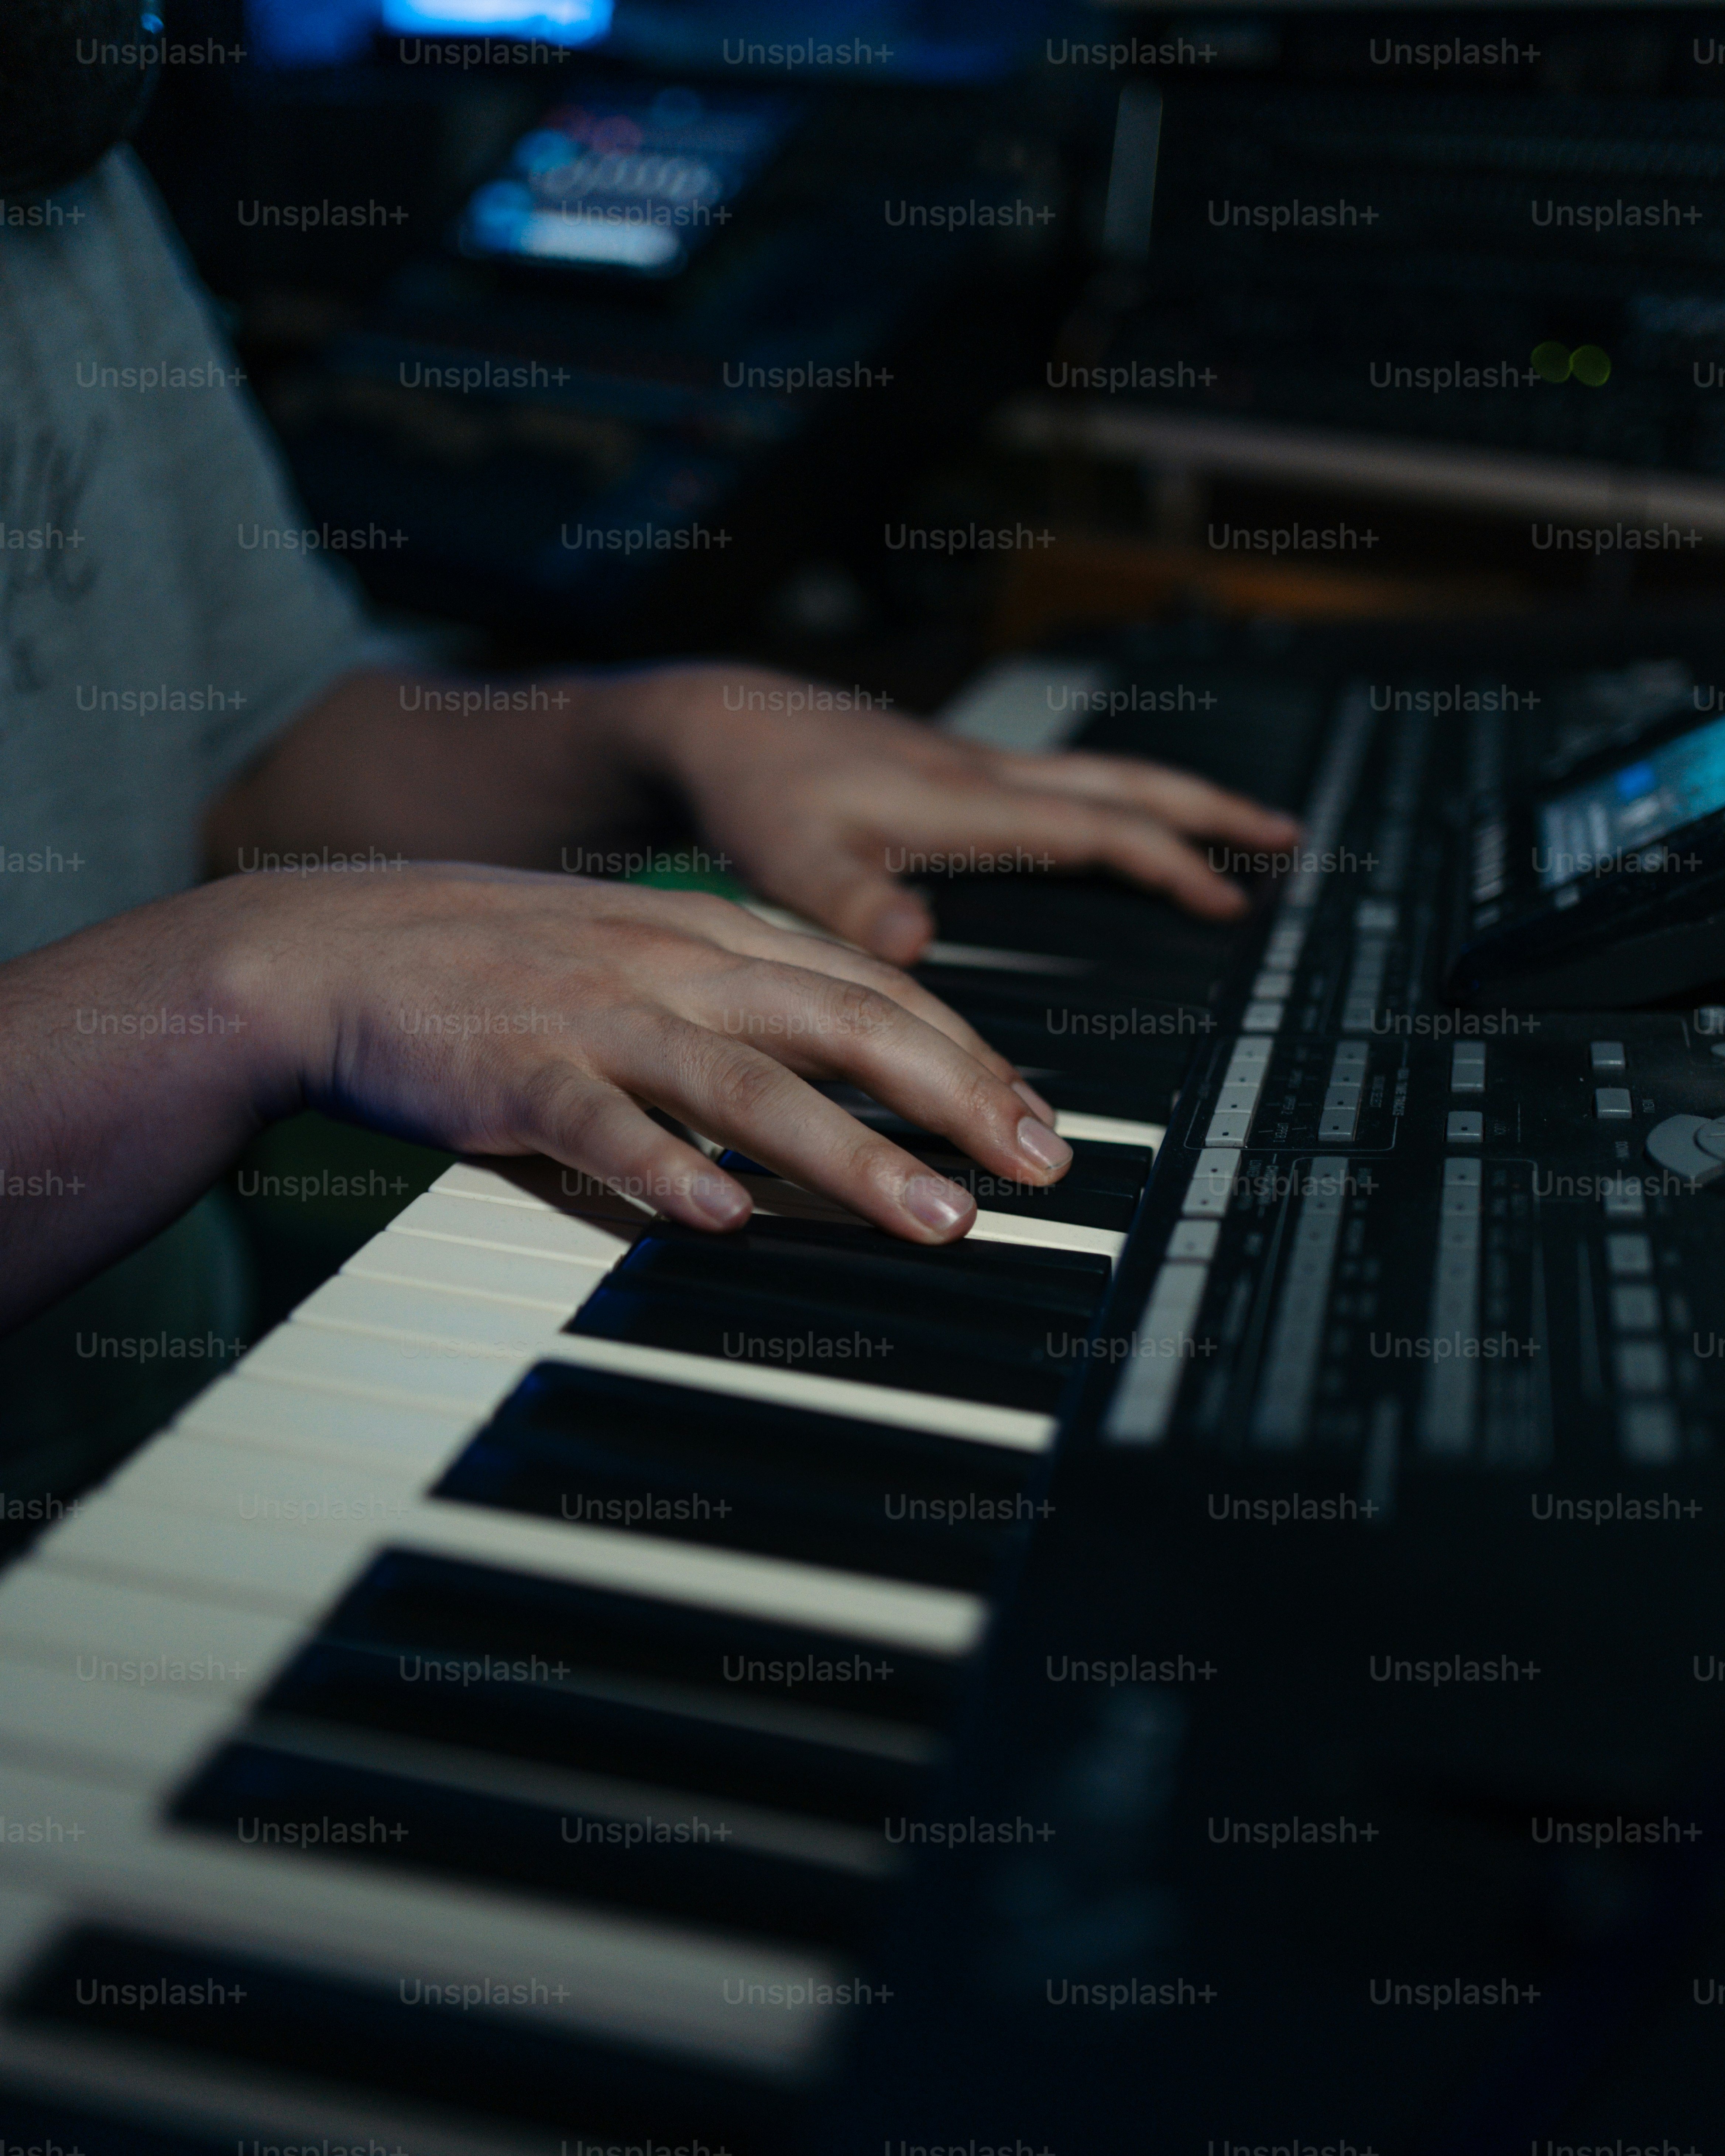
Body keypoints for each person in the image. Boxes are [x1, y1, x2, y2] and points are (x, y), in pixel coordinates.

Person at [0, 13, 1297, 1430]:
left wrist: (661, 728)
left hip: (148, 1392)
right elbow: (243, 941)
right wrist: (231, 986)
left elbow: (252, 750)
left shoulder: (57, 128)